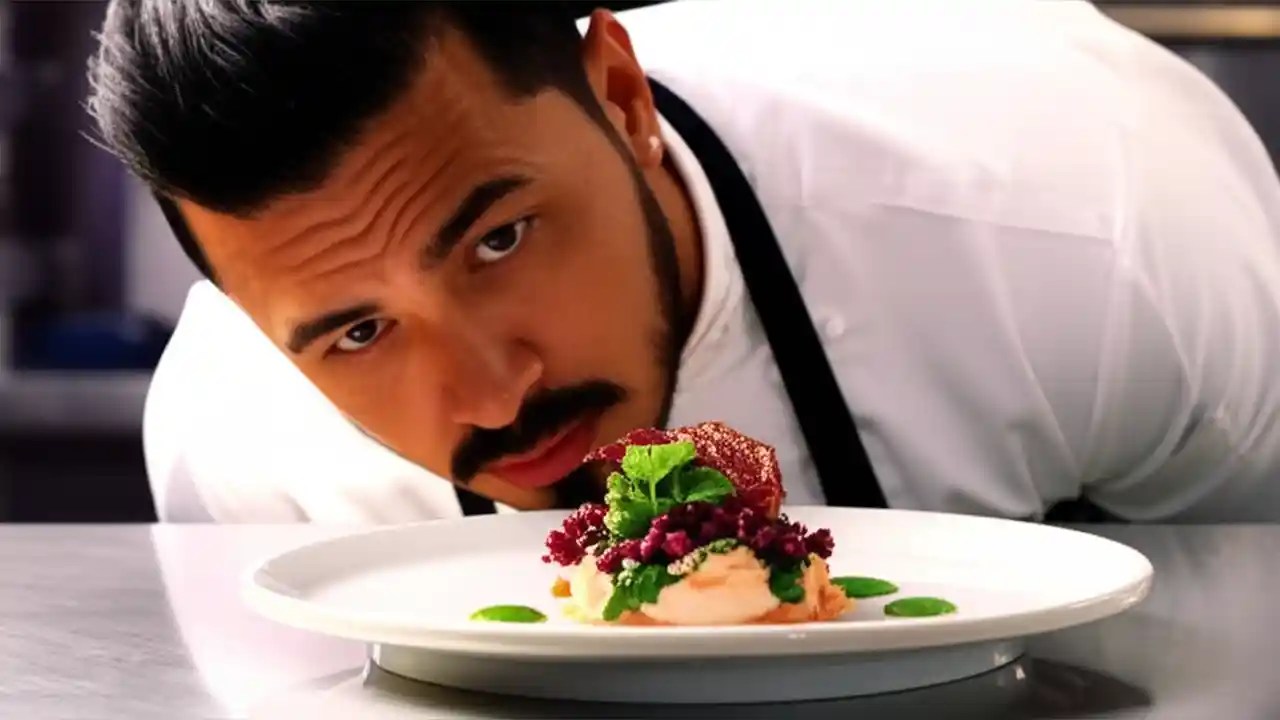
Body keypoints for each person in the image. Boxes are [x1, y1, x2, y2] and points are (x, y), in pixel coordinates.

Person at [88, 0, 1280, 523]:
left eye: (498, 239)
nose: (492, 395)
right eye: (359, 332)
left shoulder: (1100, 236)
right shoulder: (247, 451)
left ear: (620, 95)